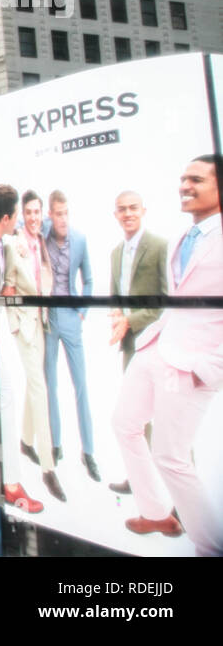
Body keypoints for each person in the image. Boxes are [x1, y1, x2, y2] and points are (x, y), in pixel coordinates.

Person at [111, 155, 223, 554]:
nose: (184, 186)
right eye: (182, 179)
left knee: (171, 457)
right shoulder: (181, 237)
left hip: (194, 364)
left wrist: (211, 368)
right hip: (157, 348)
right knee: (124, 424)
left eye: (196, 179)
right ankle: (157, 512)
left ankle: (211, 545)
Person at [2, 189, 65, 502]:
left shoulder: (42, 239)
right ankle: (48, 468)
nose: (34, 217)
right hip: (25, 325)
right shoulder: (15, 245)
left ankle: (26, 440)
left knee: (34, 383)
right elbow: (8, 287)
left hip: (42, 322)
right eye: (28, 212)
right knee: (39, 387)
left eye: (38, 212)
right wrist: (15, 324)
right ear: (21, 215)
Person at [106, 189, 169, 495]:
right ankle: (140, 479)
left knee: (168, 417)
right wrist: (118, 316)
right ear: (115, 215)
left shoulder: (159, 246)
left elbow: (165, 302)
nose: (128, 213)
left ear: (144, 210)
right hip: (130, 345)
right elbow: (115, 296)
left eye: (133, 208)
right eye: (122, 209)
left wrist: (130, 320)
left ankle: (176, 487)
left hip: (159, 342)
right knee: (134, 417)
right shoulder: (116, 252)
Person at [0, 184, 43, 514]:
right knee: (7, 398)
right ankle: (10, 483)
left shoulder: (5, 243)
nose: (20, 223)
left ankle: (8, 480)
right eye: (17, 218)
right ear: (7, 217)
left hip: (1, 329)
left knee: (7, 397)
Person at [41, 191, 98, 480]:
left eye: (66, 213)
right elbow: (22, 225)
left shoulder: (81, 240)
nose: (63, 219)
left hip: (72, 318)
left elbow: (89, 280)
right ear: (50, 215)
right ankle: (55, 445)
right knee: (50, 384)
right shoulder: (43, 232)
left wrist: (82, 313)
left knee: (81, 386)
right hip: (49, 318)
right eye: (58, 214)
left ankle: (88, 451)